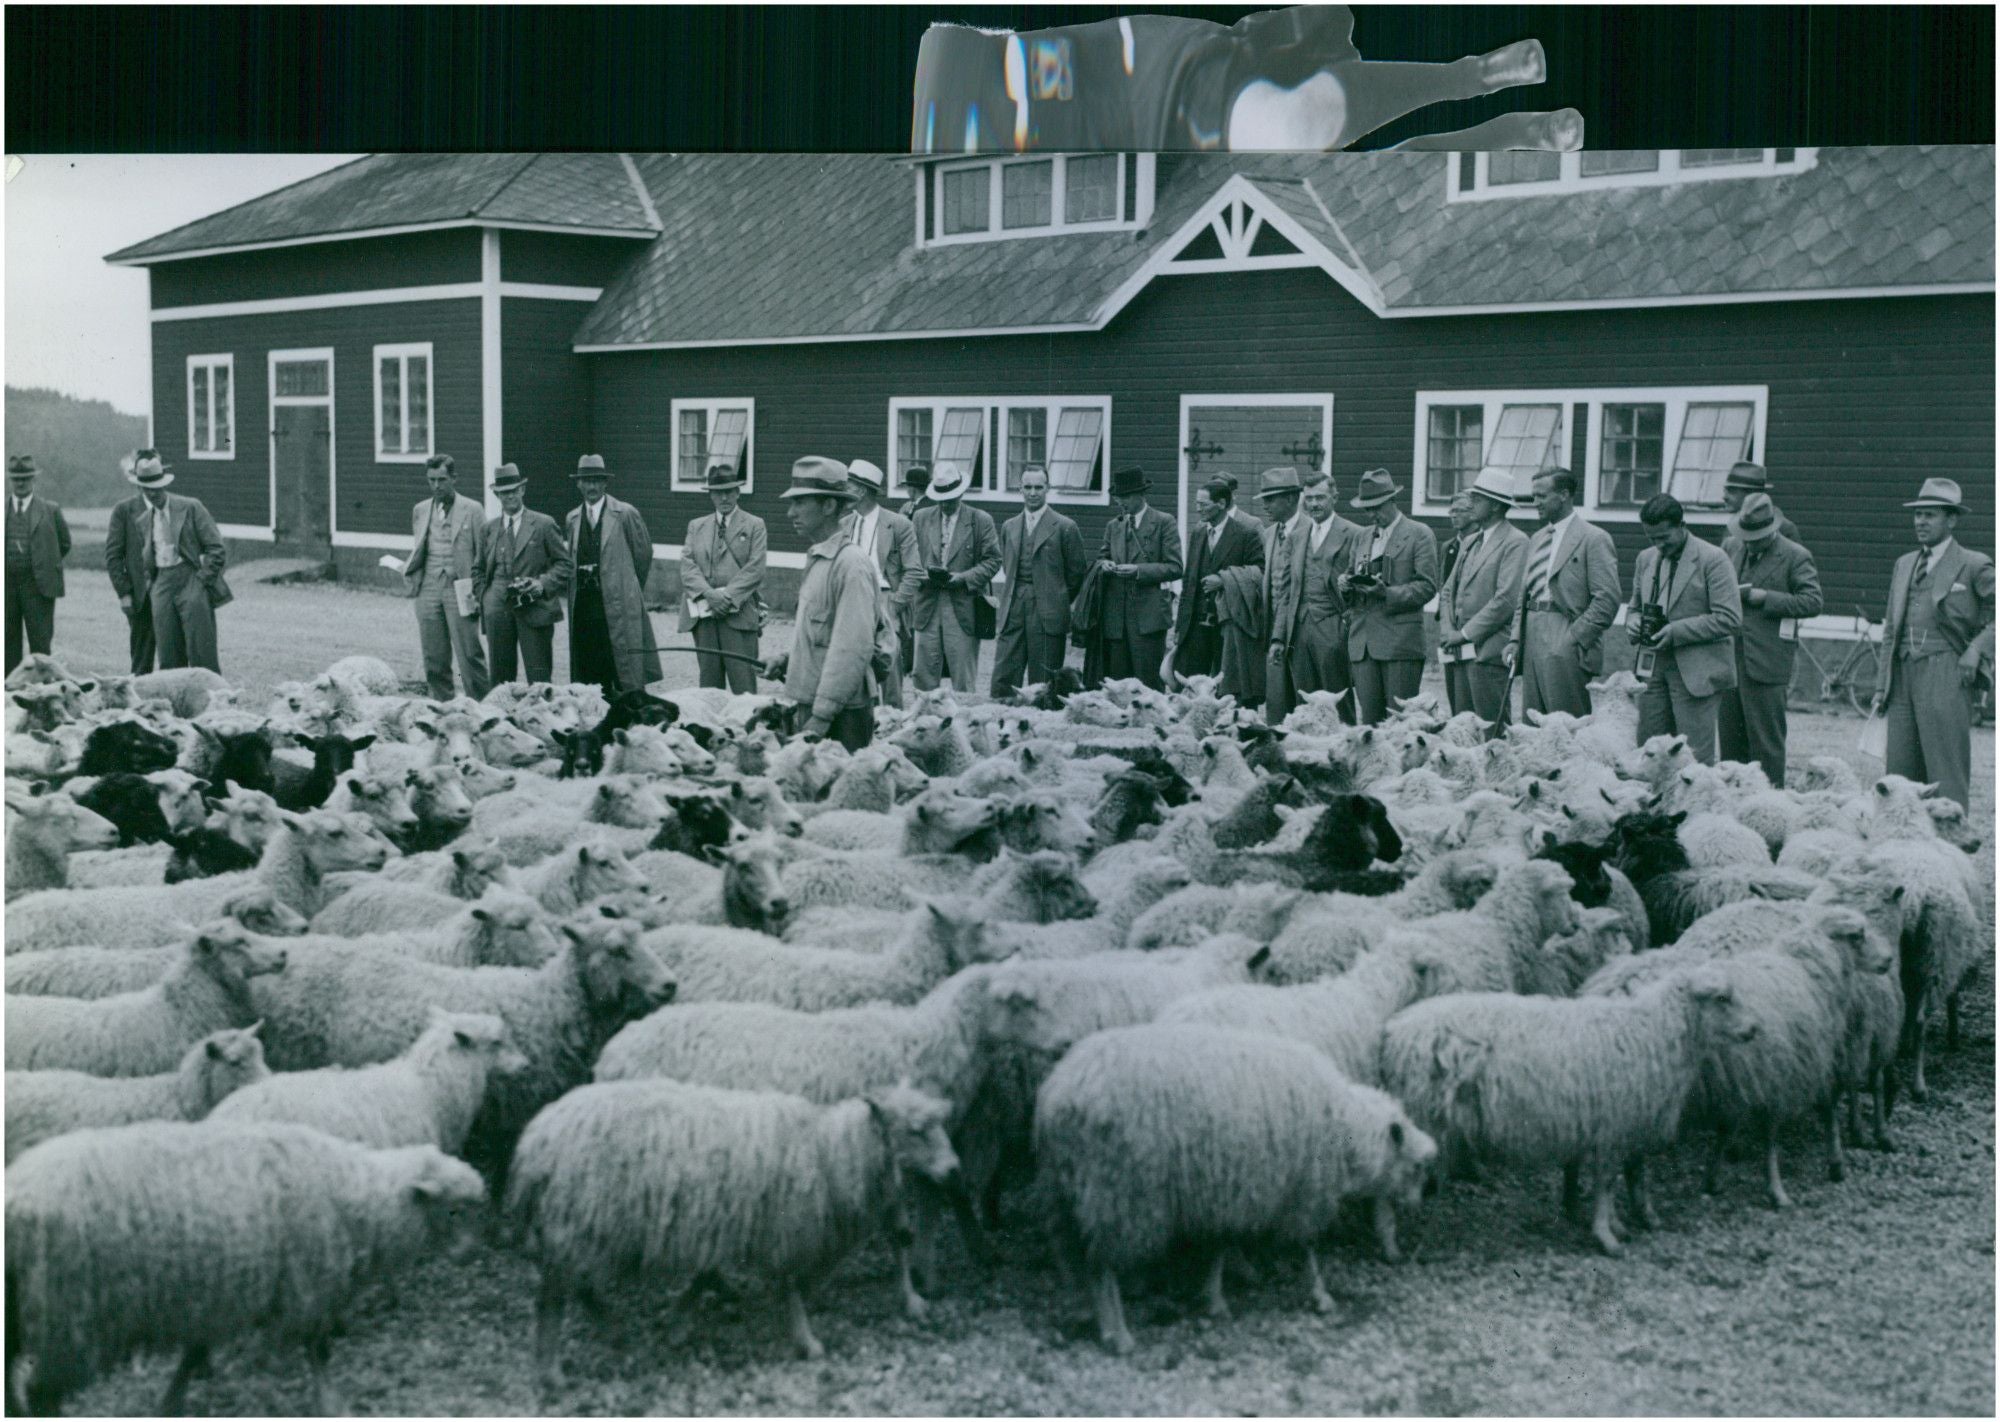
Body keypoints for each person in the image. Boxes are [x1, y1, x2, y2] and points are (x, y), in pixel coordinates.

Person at [1872, 478, 1994, 814]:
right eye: (1917, 515)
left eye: (1929, 515)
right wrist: (1882, 686)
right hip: (1902, 673)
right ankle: (1902, 848)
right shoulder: (1904, 563)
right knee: (1899, 771)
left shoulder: (1972, 564)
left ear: (1951, 520)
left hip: (1945, 670)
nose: (1920, 522)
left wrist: (1977, 649)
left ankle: (1949, 851)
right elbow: (1890, 629)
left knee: (1945, 768)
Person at [773, 457, 880, 750]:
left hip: (840, 715)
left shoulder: (850, 565)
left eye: (800, 503)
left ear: (829, 506)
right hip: (814, 703)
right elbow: (821, 634)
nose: (790, 512)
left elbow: (852, 649)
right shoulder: (819, 558)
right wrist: (786, 660)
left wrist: (820, 720)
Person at [1627, 494, 1741, 765]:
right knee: (1649, 750)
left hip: (1695, 672)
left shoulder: (1713, 559)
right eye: (1652, 538)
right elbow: (1635, 606)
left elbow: (1730, 618)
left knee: (1693, 758)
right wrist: (1632, 621)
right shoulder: (1645, 559)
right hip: (1652, 669)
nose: (1658, 545)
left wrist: (1676, 631)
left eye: (1664, 537)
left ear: (1682, 525)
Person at [1716, 493, 1821, 786]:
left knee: (1766, 744)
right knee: (1729, 744)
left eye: (1756, 537)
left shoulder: (1795, 555)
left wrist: (1767, 599)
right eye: (1745, 536)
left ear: (1772, 529)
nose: (1749, 542)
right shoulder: (1730, 546)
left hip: (1767, 660)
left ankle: (1771, 806)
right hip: (1731, 658)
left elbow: (1813, 601)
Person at [1505, 467, 1621, 718]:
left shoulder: (1593, 538)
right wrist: (1516, 639)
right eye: (1533, 496)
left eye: (1542, 496)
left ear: (1564, 494)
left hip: (1566, 629)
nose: (1535, 503)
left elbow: (1608, 599)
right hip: (1532, 631)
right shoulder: (1537, 538)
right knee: (1532, 722)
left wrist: (1573, 639)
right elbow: (1522, 597)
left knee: (1566, 721)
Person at [1340, 468, 1439, 725]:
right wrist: (1346, 585)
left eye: (1377, 508)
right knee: (1370, 724)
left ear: (1392, 501)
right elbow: (1352, 575)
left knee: (1400, 722)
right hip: (1363, 643)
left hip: (1399, 644)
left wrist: (1387, 594)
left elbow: (1428, 586)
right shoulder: (1362, 536)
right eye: (1367, 510)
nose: (1372, 515)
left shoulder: (1419, 533)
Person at [1437, 468, 1529, 725]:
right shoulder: (1470, 541)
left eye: (1478, 499)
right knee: (1461, 727)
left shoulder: (1515, 542)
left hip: (1487, 653)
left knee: (1490, 729)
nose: (1471, 503)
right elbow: (1447, 590)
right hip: (1457, 651)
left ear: (1497, 506)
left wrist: (1464, 634)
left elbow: (1506, 599)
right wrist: (1447, 629)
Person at [566, 454, 661, 697]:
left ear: (605, 483)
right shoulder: (573, 518)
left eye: (597, 481)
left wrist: (626, 587)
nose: (592, 487)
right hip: (585, 605)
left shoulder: (625, 513)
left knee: (622, 666)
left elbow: (643, 554)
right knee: (589, 665)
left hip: (618, 604)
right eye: (586, 481)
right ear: (578, 484)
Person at [991, 465, 1088, 698]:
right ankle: (1002, 723)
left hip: (1048, 612)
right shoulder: (1009, 526)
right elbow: (1008, 566)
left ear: (1047, 489)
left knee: (1044, 680)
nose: (1033, 492)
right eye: (1028, 487)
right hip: (1013, 606)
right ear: (1020, 490)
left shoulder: (1065, 526)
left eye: (1038, 487)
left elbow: (1077, 574)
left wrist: (1057, 598)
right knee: (1004, 676)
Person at [129, 452, 229, 674]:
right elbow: (146, 558)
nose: (152, 493)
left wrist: (202, 579)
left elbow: (216, 547)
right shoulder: (144, 521)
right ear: (141, 489)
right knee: (168, 652)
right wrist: (153, 586)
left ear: (164, 485)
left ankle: (213, 702)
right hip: (162, 583)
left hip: (191, 579)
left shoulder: (191, 507)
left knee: (202, 650)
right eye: (147, 489)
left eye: (156, 487)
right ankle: (175, 706)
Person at [402, 454, 490, 701]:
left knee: (469, 654)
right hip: (428, 588)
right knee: (433, 656)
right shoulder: (420, 510)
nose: (436, 486)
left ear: (454, 478)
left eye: (441, 479)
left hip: (460, 588)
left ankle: (482, 708)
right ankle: (444, 707)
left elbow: (483, 552)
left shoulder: (473, 510)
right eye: (431, 480)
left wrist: (479, 588)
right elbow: (420, 547)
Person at [677, 460, 767, 694]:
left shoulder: (755, 525)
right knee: (708, 686)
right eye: (718, 493)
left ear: (738, 492)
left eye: (729, 492)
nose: (724, 498)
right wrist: (708, 594)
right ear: (711, 496)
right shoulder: (696, 526)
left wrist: (726, 597)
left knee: (743, 685)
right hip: (704, 615)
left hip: (738, 613)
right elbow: (687, 566)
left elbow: (755, 568)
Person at [909, 462, 1000, 693]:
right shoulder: (920, 518)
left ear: (961, 493)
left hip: (962, 608)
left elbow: (993, 561)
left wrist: (963, 577)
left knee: (963, 680)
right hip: (927, 606)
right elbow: (908, 557)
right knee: (923, 677)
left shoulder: (981, 520)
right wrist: (922, 574)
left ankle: (960, 724)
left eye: (950, 498)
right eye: (941, 499)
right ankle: (924, 725)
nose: (945, 504)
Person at [477, 463, 570, 686]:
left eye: (513, 490)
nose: (509, 496)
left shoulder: (544, 524)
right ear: (497, 495)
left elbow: (565, 564)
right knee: (501, 681)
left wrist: (542, 583)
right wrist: (486, 598)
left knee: (539, 680)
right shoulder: (488, 529)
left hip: (534, 608)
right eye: (503, 492)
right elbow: (478, 569)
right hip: (498, 612)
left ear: (522, 490)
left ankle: (541, 718)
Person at [844, 460, 923, 707]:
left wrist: (895, 605)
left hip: (885, 599)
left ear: (861, 490)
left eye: (848, 485)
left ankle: (892, 723)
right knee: (852, 664)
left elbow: (914, 572)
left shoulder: (898, 524)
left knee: (888, 670)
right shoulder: (844, 524)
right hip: (851, 599)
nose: (843, 490)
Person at [1286, 470, 1365, 714]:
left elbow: (1359, 583)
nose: (1313, 504)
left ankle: (1344, 746)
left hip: (1333, 625)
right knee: (1305, 703)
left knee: (1337, 700)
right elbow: (1287, 588)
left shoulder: (1353, 533)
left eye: (1319, 498)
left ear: (1335, 498)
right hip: (1300, 627)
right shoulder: (1297, 536)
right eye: (1308, 499)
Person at [1171, 475, 1262, 688]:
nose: (1198, 509)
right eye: (1196, 504)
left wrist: (1224, 580)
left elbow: (1260, 573)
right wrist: (1181, 625)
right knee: (1192, 687)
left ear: (1221, 504)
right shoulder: (1198, 533)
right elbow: (1189, 581)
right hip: (1196, 628)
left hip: (1228, 626)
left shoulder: (1246, 534)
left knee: (1229, 686)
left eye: (1203, 504)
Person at [4, 456, 70, 675]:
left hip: (37, 586)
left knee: (40, 645)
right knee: (7, 642)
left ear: (33, 480)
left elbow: (64, 543)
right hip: (7, 586)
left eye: (25, 478)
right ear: (9, 480)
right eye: (16, 479)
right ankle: (8, 696)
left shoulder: (50, 510)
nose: (20, 483)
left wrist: (43, 564)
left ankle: (42, 695)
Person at [1255, 467, 1310, 722]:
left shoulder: (1312, 530)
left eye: (1271, 499)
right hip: (1274, 633)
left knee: (1305, 706)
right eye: (1264, 499)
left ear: (1290, 499)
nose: (1266, 506)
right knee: (1276, 706)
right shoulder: (1269, 535)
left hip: (1303, 632)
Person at [105, 457, 159, 673]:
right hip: (140, 596)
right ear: (137, 484)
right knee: (141, 659)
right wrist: (124, 592)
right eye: (145, 484)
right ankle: (139, 703)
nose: (152, 490)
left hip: (170, 592)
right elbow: (113, 556)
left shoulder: (174, 506)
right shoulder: (124, 510)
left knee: (174, 656)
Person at [893, 463, 933, 679]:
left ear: (912, 488)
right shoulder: (932, 505)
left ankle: (908, 663)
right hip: (927, 570)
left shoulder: (914, 510)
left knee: (910, 619)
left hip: (913, 569)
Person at [1721, 462, 1800, 544]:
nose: (1724, 497)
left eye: (1731, 491)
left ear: (1752, 494)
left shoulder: (1785, 529)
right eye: (1725, 491)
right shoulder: (1734, 526)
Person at [1436, 491, 1476, 600]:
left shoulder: (1482, 544)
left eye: (1459, 511)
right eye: (1452, 511)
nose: (1453, 515)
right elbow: (1443, 584)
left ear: (1473, 513)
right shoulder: (1448, 547)